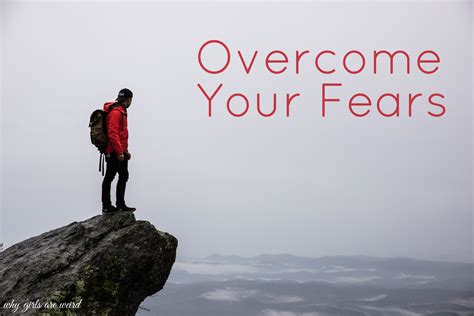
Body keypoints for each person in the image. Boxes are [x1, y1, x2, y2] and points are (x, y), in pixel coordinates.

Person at [101, 88, 136, 214]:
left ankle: (120, 204)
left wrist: (125, 151)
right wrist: (119, 152)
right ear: (128, 99)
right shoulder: (116, 112)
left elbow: (121, 135)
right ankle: (107, 206)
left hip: (120, 151)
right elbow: (113, 133)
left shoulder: (121, 111)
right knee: (109, 177)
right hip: (113, 151)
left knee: (123, 176)